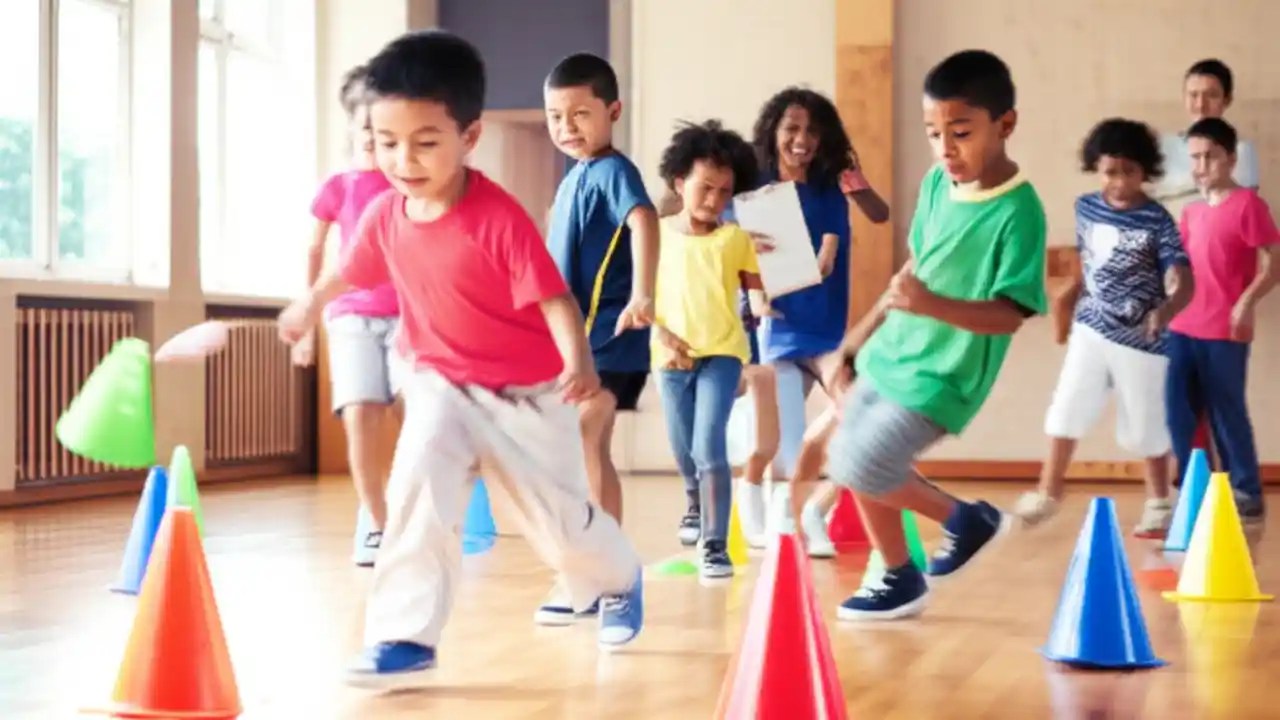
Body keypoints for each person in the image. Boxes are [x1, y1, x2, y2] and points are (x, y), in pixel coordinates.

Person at [277, 30, 645, 687]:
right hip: (439, 381)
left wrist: (579, 363)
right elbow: (348, 272)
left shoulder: (497, 218)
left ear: (468, 137)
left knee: (559, 530)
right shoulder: (386, 215)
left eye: (424, 142)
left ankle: (619, 577)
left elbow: (557, 300)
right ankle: (402, 636)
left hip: (527, 394)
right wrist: (307, 305)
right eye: (387, 143)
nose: (403, 160)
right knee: (415, 491)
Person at [825, 49, 1046, 620]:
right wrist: (857, 339)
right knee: (847, 452)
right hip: (892, 352)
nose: (946, 148)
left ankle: (967, 521)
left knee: (862, 464)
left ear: (1006, 125)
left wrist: (931, 304)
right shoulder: (934, 185)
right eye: (934, 133)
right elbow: (909, 280)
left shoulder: (1020, 212)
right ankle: (899, 575)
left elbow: (1009, 314)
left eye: (961, 132)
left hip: (944, 374)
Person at [1015, 118, 1193, 537]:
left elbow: (1181, 277)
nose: (1118, 182)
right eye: (1110, 171)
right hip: (1091, 327)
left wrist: (1167, 308)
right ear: (1096, 167)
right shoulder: (1086, 208)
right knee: (1065, 408)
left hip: (1142, 338)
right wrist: (1067, 297)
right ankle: (1048, 493)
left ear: (1144, 172)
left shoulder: (1157, 220)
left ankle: (1158, 501)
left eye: (1128, 172)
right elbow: (1089, 263)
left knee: (1147, 422)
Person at [536, 52, 658, 625]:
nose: (568, 128)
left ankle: (600, 573)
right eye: (556, 117)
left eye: (581, 114)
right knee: (586, 446)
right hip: (579, 342)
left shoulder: (613, 170)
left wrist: (644, 293)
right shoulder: (572, 181)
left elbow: (644, 220)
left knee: (586, 435)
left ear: (613, 110)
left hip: (614, 335)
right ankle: (596, 570)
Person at [743, 87, 890, 547]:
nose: (802, 139)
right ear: (774, 133)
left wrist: (856, 181)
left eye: (812, 130)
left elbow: (880, 215)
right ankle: (785, 519)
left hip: (829, 335)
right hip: (782, 332)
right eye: (792, 129)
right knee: (791, 451)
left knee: (865, 423)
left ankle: (810, 513)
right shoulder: (759, 190)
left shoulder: (831, 187)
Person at [650, 119, 769, 578]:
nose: (714, 200)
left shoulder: (734, 238)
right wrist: (661, 335)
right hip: (670, 356)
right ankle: (693, 500)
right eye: (705, 188)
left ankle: (715, 543)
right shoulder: (655, 235)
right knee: (683, 450)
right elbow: (641, 297)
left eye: (724, 192)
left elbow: (754, 288)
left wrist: (762, 308)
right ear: (680, 182)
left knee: (710, 446)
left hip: (721, 352)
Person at [294, 63, 399, 567]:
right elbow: (315, 252)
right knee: (360, 413)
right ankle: (376, 522)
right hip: (349, 314)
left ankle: (404, 511)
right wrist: (307, 325)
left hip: (408, 316)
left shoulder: (406, 185)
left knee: (416, 414)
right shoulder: (337, 187)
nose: (370, 140)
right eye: (362, 128)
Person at [1165, 117, 1279, 524]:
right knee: (1178, 411)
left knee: (1225, 408)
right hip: (1181, 326)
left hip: (1223, 329)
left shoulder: (1248, 205)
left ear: (1230, 159)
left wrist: (1246, 303)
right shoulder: (1191, 212)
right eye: (1194, 157)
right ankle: (1198, 486)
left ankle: (1246, 488)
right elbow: (1181, 268)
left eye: (1210, 156)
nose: (1201, 165)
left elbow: (1273, 262)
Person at [1152, 58, 1260, 473]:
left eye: (1211, 95)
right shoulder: (1162, 149)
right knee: (1178, 401)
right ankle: (1195, 484)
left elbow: (1226, 207)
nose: (1201, 103)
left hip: (1220, 295)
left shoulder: (1239, 153)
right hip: (1171, 290)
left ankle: (1239, 485)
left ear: (1226, 100)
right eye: (1193, 94)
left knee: (1222, 400)